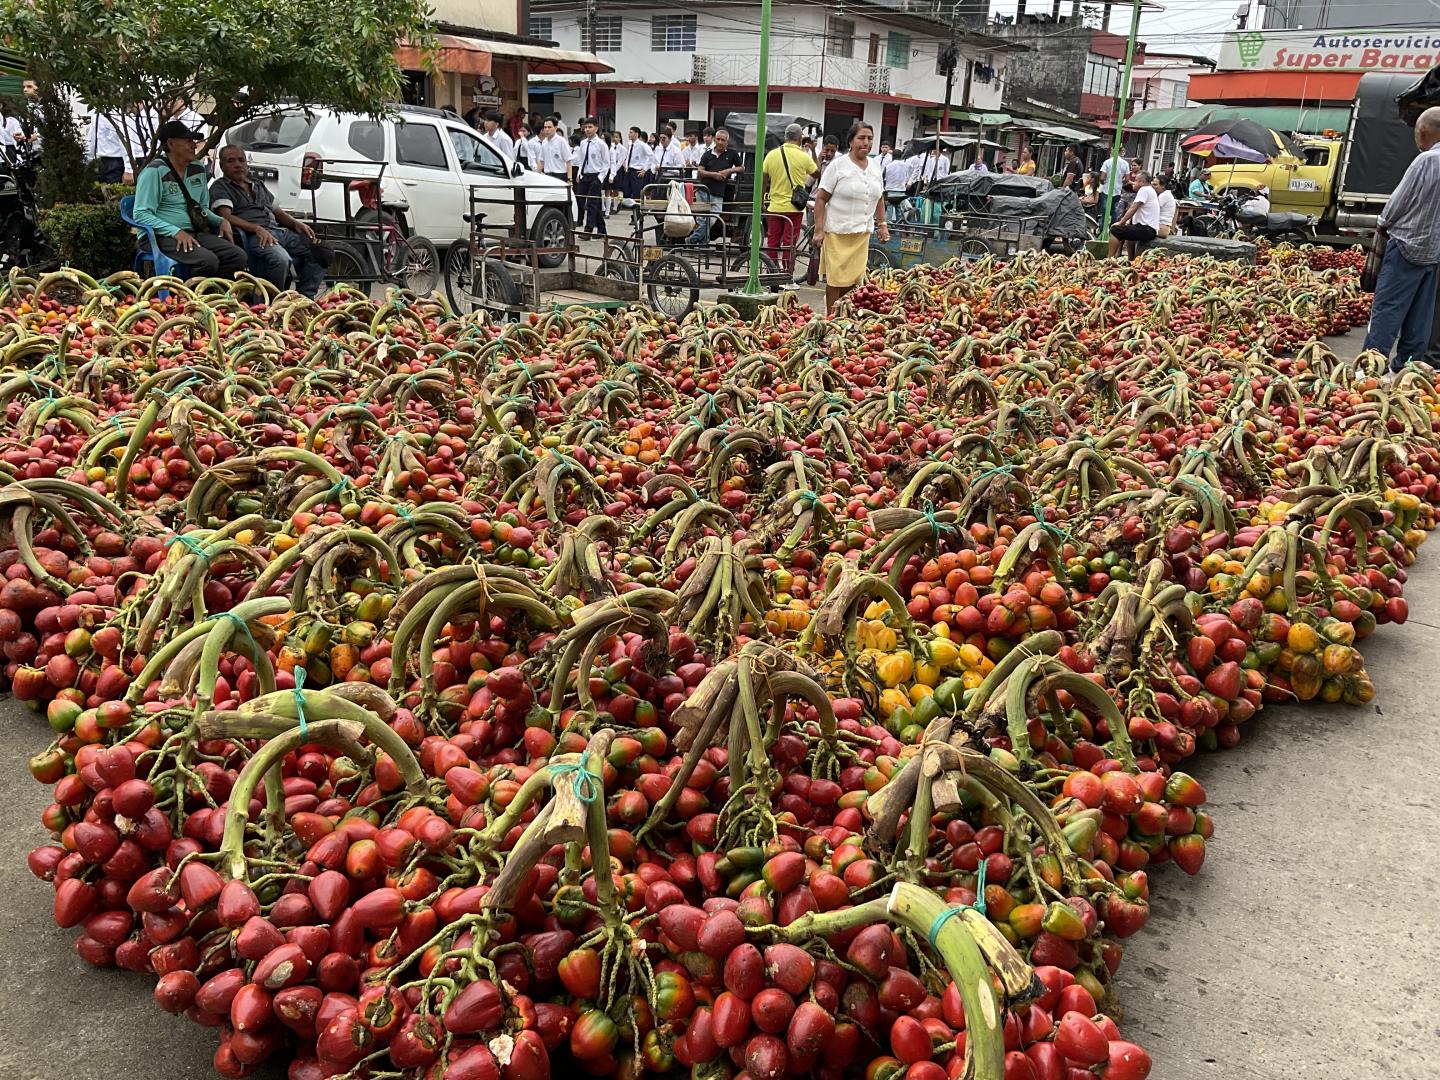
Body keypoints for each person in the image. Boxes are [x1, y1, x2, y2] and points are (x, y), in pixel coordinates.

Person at [1362, 107, 1440, 371]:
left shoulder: (1426, 161)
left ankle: (1371, 367)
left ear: (1422, 132)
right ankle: (1408, 369)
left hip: (1407, 245)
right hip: (1433, 252)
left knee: (1388, 308)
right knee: (1421, 314)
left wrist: (1382, 224)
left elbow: (1397, 204)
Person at [132, 120, 246, 279]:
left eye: (193, 141)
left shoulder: (197, 168)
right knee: (207, 260)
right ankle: (187, 298)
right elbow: (141, 214)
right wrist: (175, 232)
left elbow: (202, 208)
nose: (193, 145)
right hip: (160, 237)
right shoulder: (154, 171)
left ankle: (213, 296)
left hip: (193, 232)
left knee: (237, 255)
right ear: (171, 144)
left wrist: (220, 221)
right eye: (188, 141)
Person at [210, 146, 328, 296]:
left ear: (247, 163)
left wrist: (295, 223)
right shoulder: (221, 187)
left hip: (279, 232)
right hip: (255, 236)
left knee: (322, 251)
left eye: (241, 160)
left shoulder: (256, 184)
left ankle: (305, 298)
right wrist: (256, 228)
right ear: (222, 166)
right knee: (281, 260)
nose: (238, 165)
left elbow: (278, 212)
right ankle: (273, 301)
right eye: (231, 161)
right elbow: (226, 216)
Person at [814, 121, 888, 313]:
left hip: (861, 233)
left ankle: (845, 315)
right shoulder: (838, 166)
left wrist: (883, 225)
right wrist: (819, 230)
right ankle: (831, 317)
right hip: (838, 233)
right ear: (851, 141)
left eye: (870, 139)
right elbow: (821, 199)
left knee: (854, 281)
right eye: (861, 138)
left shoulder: (875, 166)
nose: (866, 142)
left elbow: (879, 197)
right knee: (836, 281)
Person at [762, 123, 816, 270]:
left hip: (775, 207)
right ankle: (786, 275)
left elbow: (763, 181)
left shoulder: (771, 155)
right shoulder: (804, 157)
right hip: (794, 207)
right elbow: (817, 173)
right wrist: (813, 151)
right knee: (789, 244)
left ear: (785, 137)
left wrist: (762, 202)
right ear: (800, 138)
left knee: (772, 242)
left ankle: (771, 272)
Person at [690, 126, 741, 244]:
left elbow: (741, 168)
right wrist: (713, 175)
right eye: (718, 139)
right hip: (703, 192)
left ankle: (692, 239)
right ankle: (703, 243)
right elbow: (700, 171)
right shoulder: (707, 155)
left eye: (723, 140)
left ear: (727, 142)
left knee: (712, 219)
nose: (720, 142)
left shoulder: (732, 154)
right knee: (702, 220)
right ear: (714, 140)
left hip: (718, 193)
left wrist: (728, 171)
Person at [570, 116, 609, 236]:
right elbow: (582, 160)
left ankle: (588, 230)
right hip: (585, 176)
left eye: (590, 127)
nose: (587, 129)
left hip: (596, 176)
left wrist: (600, 178)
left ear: (596, 128)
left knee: (592, 203)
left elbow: (606, 163)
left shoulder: (601, 144)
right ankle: (602, 229)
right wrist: (579, 173)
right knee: (581, 201)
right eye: (585, 127)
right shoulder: (583, 143)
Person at [1108, 169, 1159, 258]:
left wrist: (1121, 222)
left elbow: (1133, 208)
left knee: (1115, 230)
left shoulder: (1144, 190)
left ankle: (1109, 258)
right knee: (1128, 232)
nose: (1133, 183)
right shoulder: (1149, 190)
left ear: (1142, 182)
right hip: (1147, 228)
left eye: (1135, 181)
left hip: (1147, 229)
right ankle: (1130, 259)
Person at [86, 110, 133, 184]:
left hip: (117, 161)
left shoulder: (117, 111)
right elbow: (92, 137)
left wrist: (128, 168)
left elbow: (124, 138)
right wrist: (86, 159)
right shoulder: (97, 112)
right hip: (103, 161)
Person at [620, 127, 653, 198]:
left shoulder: (642, 145)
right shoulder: (630, 144)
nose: (629, 134)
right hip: (628, 170)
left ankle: (637, 208)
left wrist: (645, 169)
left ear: (636, 134)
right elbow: (629, 155)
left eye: (631, 132)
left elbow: (651, 156)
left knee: (636, 192)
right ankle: (627, 207)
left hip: (637, 171)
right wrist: (626, 164)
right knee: (626, 191)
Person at [1098, 151, 1130, 223]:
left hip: (1106, 190)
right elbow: (1127, 179)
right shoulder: (1125, 163)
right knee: (1114, 212)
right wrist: (1120, 183)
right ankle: (1111, 228)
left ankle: (1103, 229)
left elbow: (1102, 178)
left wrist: (1104, 183)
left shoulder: (1107, 162)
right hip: (1117, 191)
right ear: (1121, 152)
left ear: (1113, 150)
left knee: (1105, 212)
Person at [883, 151, 911, 223]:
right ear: (901, 156)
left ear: (892, 156)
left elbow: (883, 179)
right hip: (901, 193)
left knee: (889, 213)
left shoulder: (888, 166)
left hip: (890, 193)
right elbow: (908, 177)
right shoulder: (906, 165)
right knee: (900, 214)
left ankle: (890, 229)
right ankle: (899, 230)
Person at [605, 131, 625, 215]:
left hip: (618, 169)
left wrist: (614, 170)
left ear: (620, 138)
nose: (615, 139)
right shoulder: (610, 147)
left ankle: (615, 207)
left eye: (617, 137)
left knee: (616, 189)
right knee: (609, 188)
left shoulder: (622, 148)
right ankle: (608, 206)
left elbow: (621, 161)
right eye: (613, 137)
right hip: (610, 169)